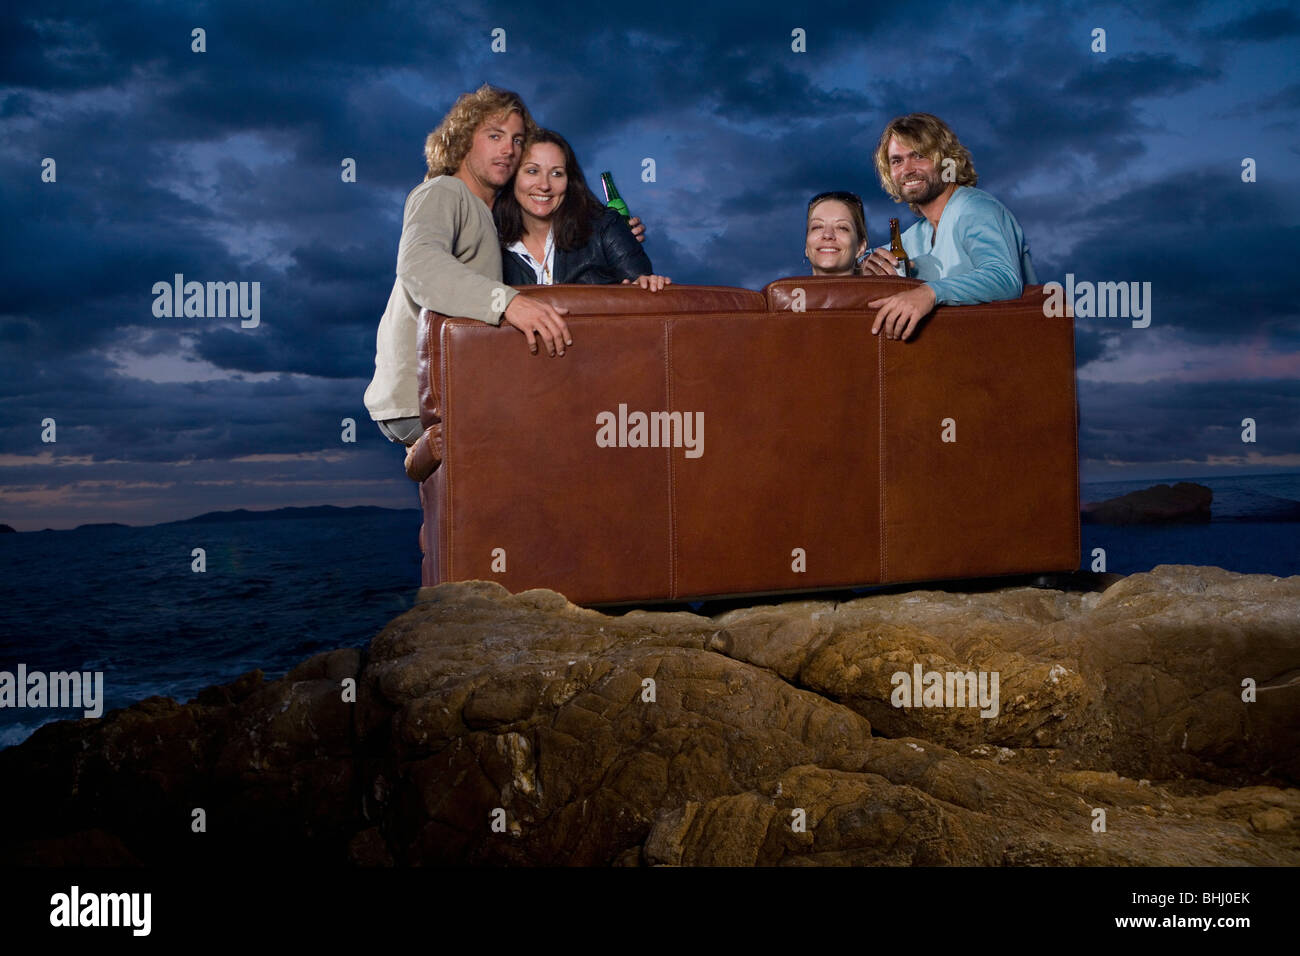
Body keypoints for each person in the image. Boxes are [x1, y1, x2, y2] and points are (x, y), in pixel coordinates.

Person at [363, 84, 578, 451]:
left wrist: (615, 234)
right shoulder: (444, 191)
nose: (508, 149)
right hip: (423, 396)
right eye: (495, 136)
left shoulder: (488, 216)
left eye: (516, 139)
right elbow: (420, 265)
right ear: (463, 140)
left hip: (452, 390)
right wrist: (509, 303)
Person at [860, 112, 1036, 341]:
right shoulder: (917, 234)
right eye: (897, 160)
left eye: (919, 156)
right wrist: (865, 264)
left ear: (947, 161)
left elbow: (1004, 278)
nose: (907, 169)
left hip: (1008, 352)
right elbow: (870, 258)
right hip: (952, 356)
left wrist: (929, 293)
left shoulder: (976, 208)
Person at [494, 129, 671, 291]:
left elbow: (643, 290)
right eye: (532, 171)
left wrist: (647, 287)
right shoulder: (490, 236)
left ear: (569, 181)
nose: (544, 185)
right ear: (512, 177)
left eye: (557, 173)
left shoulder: (604, 227)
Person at [804, 190, 868, 276]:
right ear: (806, 247)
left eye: (842, 227)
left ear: (860, 247)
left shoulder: (885, 288)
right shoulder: (784, 288)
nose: (827, 235)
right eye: (817, 227)